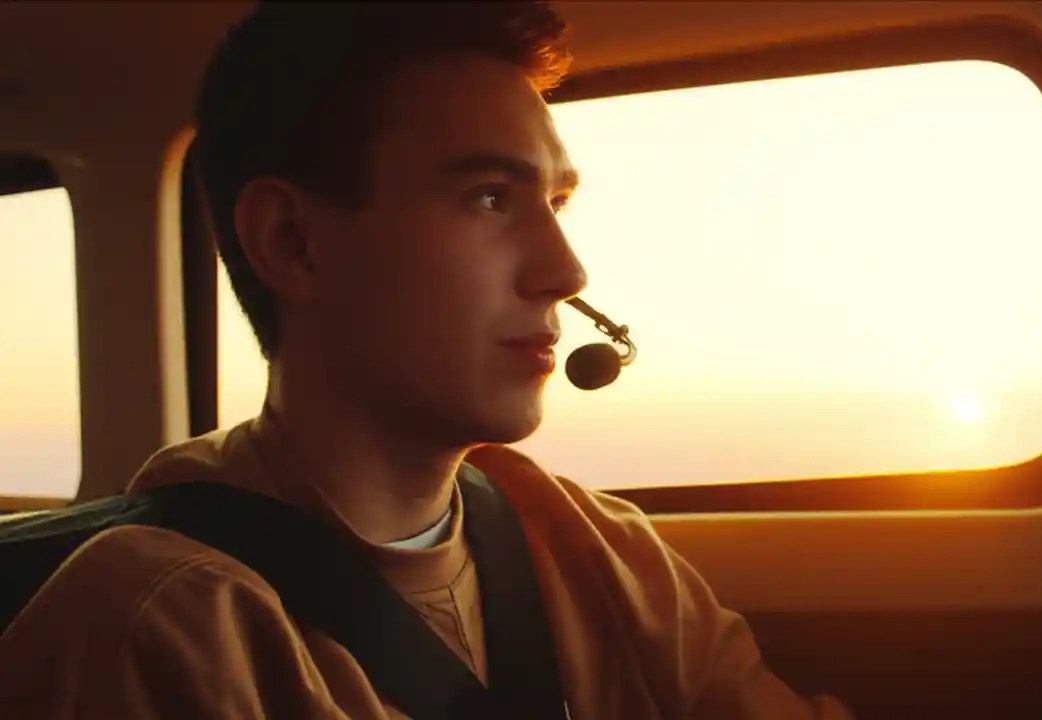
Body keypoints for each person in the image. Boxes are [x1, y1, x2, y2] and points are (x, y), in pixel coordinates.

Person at [0, 3, 853, 718]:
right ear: (293, 242)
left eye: (554, 203)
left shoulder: (601, 553)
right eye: (488, 198)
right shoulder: (161, 629)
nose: (565, 273)